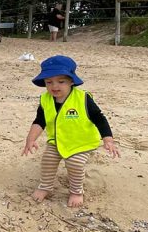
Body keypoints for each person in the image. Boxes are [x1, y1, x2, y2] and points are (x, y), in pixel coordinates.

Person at [21, 55, 120, 207]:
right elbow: (39, 121)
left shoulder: (83, 98)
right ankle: (45, 187)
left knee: (75, 163)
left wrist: (108, 139)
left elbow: (99, 118)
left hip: (81, 142)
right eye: (49, 82)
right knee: (47, 160)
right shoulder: (45, 100)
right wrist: (30, 139)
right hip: (58, 141)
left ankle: (76, 191)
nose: (54, 86)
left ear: (71, 81)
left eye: (61, 81)